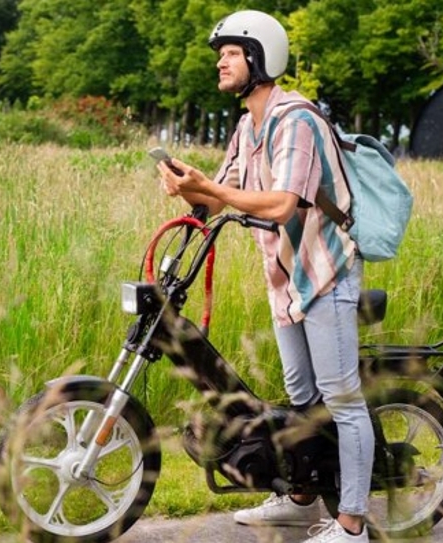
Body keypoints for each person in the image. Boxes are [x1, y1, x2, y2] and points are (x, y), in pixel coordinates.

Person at [155, 9, 374, 543]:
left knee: (341, 401)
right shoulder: (247, 126)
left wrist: (217, 191)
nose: (220, 64)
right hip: (285, 284)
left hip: (325, 277)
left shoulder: (296, 120)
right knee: (302, 398)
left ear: (258, 57)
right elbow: (221, 190)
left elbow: (281, 205)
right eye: (220, 55)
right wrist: (188, 188)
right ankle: (302, 500)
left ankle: (352, 526)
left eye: (229, 54)